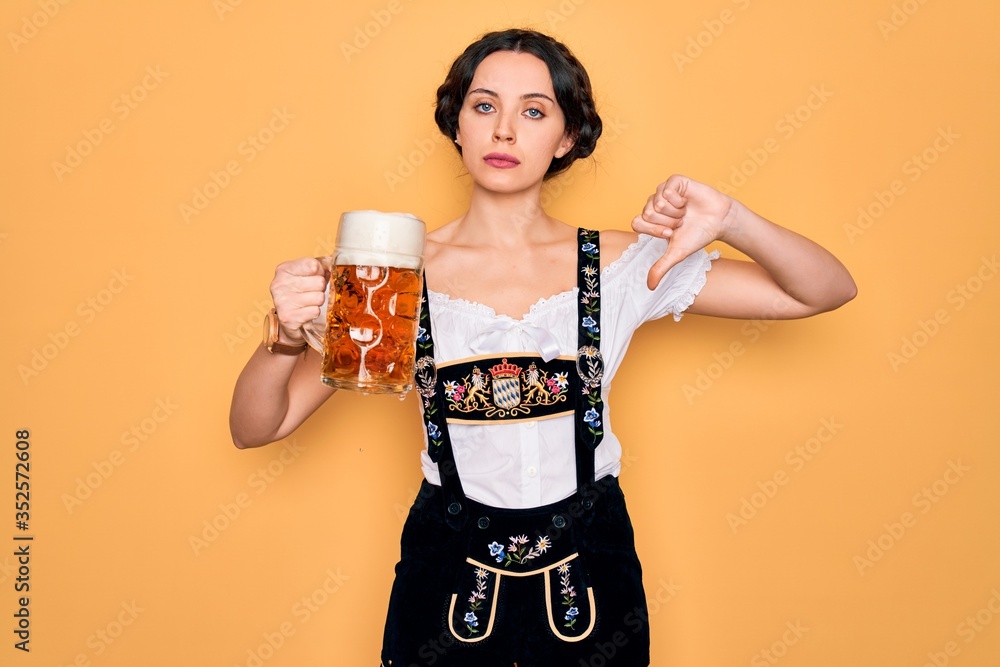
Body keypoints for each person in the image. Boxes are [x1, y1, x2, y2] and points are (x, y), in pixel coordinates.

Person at [230, 28, 856, 667]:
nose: (504, 130)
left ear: (567, 138)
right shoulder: (390, 275)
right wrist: (281, 341)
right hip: (444, 574)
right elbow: (258, 426)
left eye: (533, 111)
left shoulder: (620, 264)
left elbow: (822, 290)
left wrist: (731, 218)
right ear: (457, 125)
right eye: (483, 106)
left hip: (593, 570)